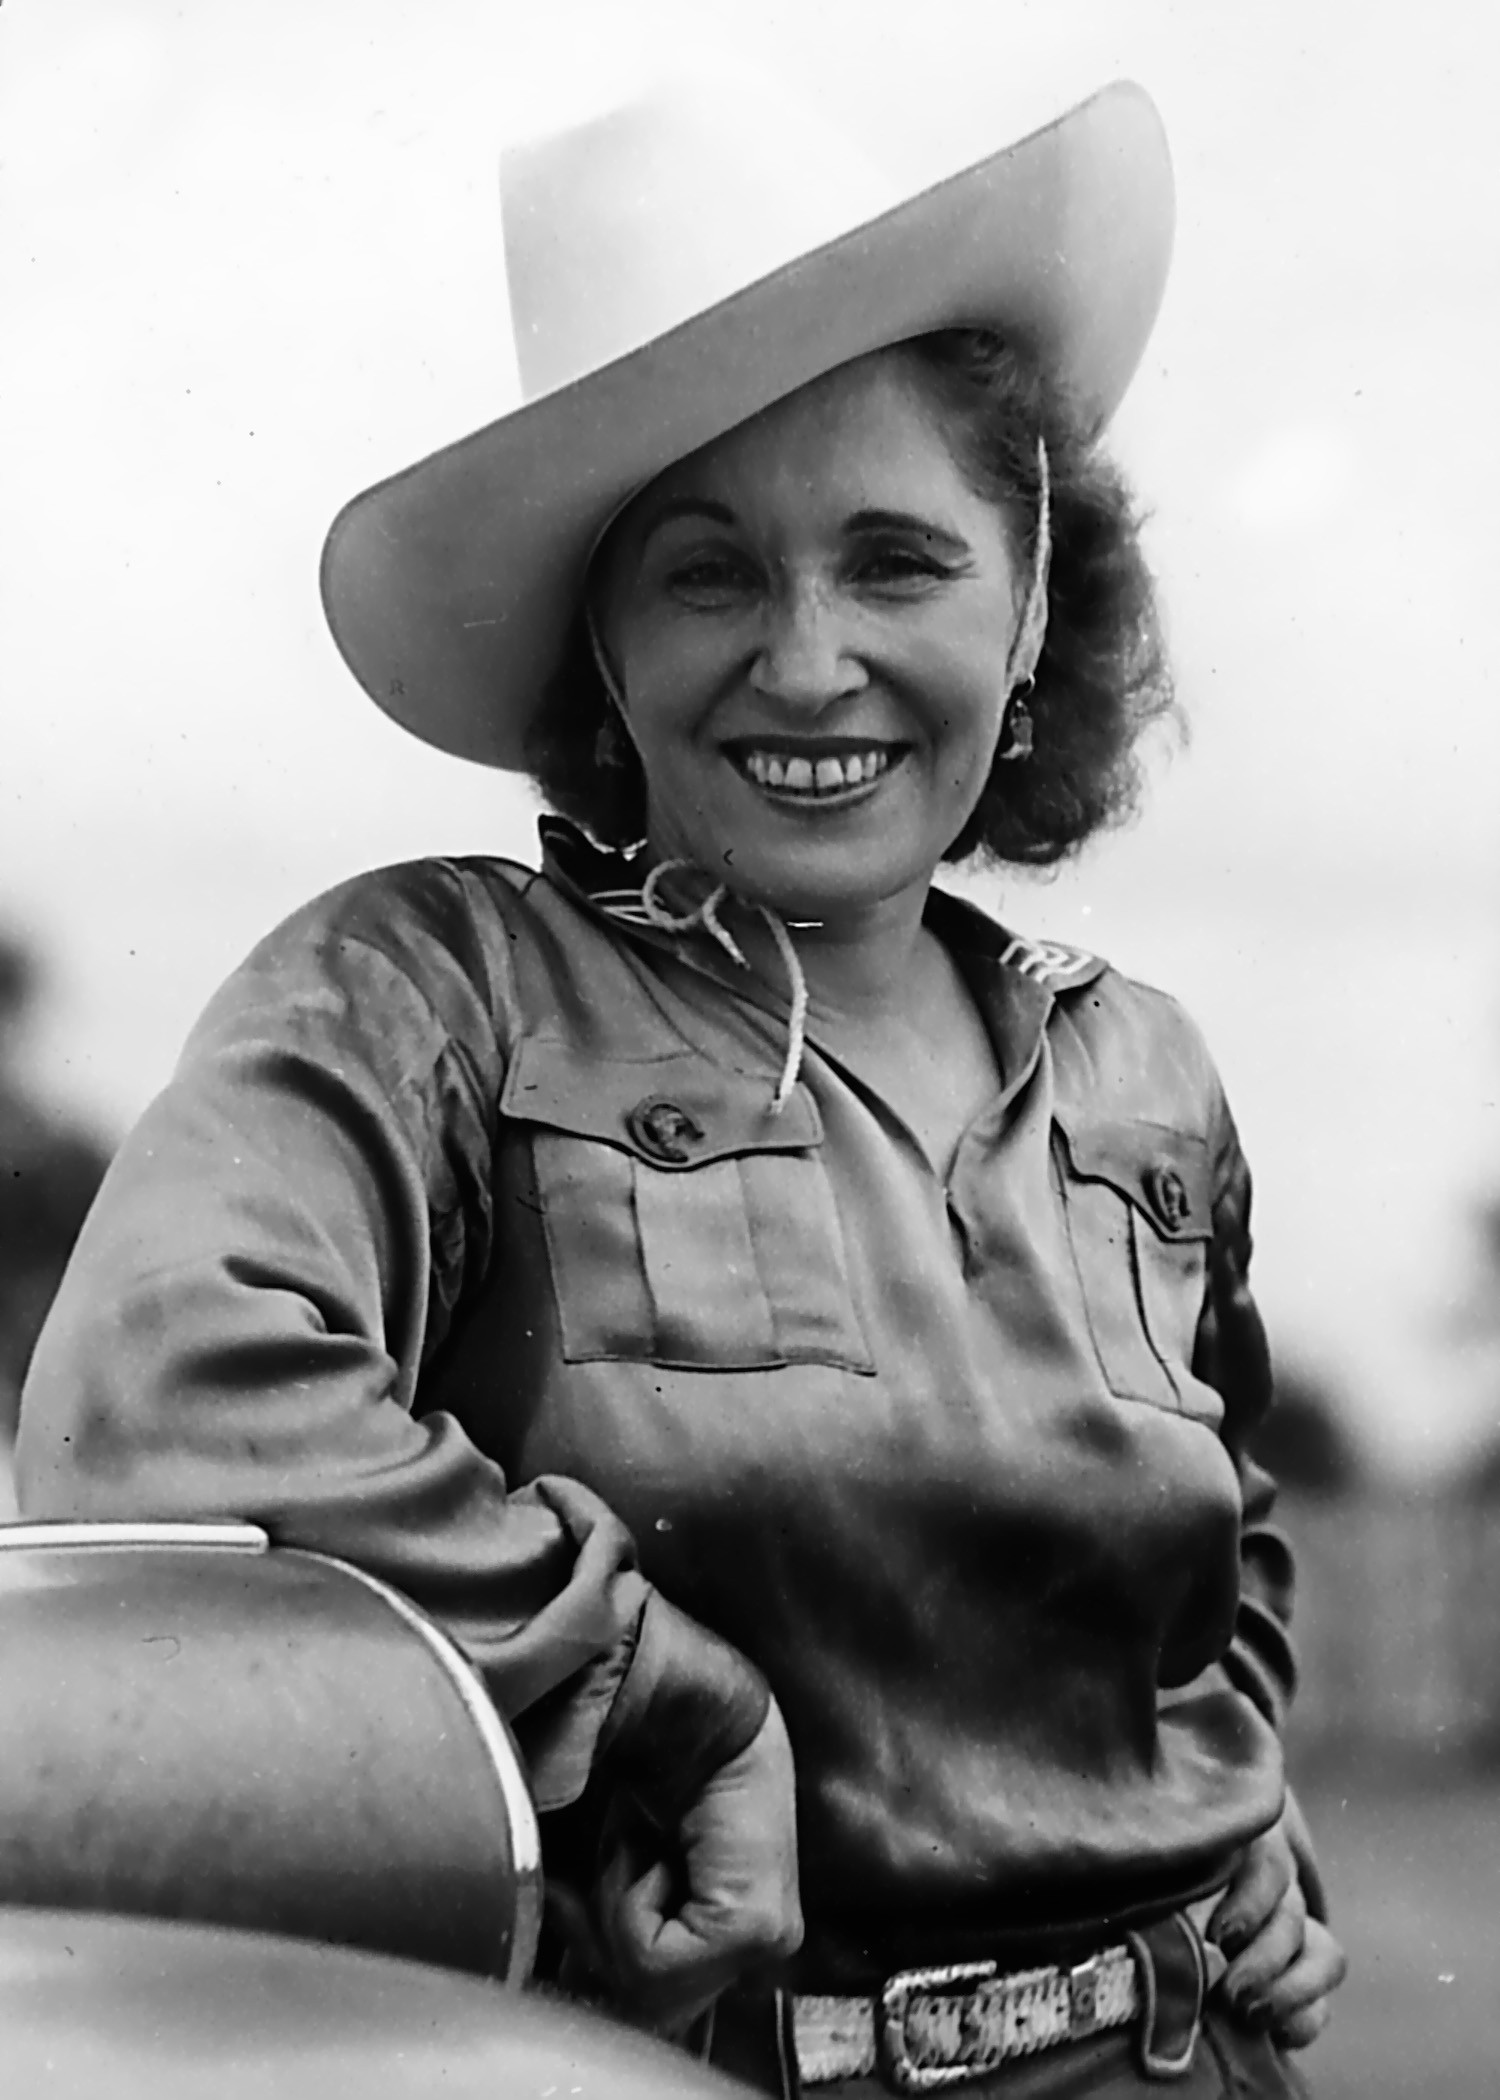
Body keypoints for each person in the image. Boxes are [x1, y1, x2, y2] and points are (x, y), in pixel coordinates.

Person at [16, 72, 1346, 2096]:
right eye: (710, 573)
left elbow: (1222, 1532)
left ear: (1032, 599)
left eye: (897, 562)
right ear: (603, 643)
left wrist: (1234, 1790)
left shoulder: (1140, 1066)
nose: (808, 663)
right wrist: (657, 1696)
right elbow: (157, 1390)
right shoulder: (432, 989)